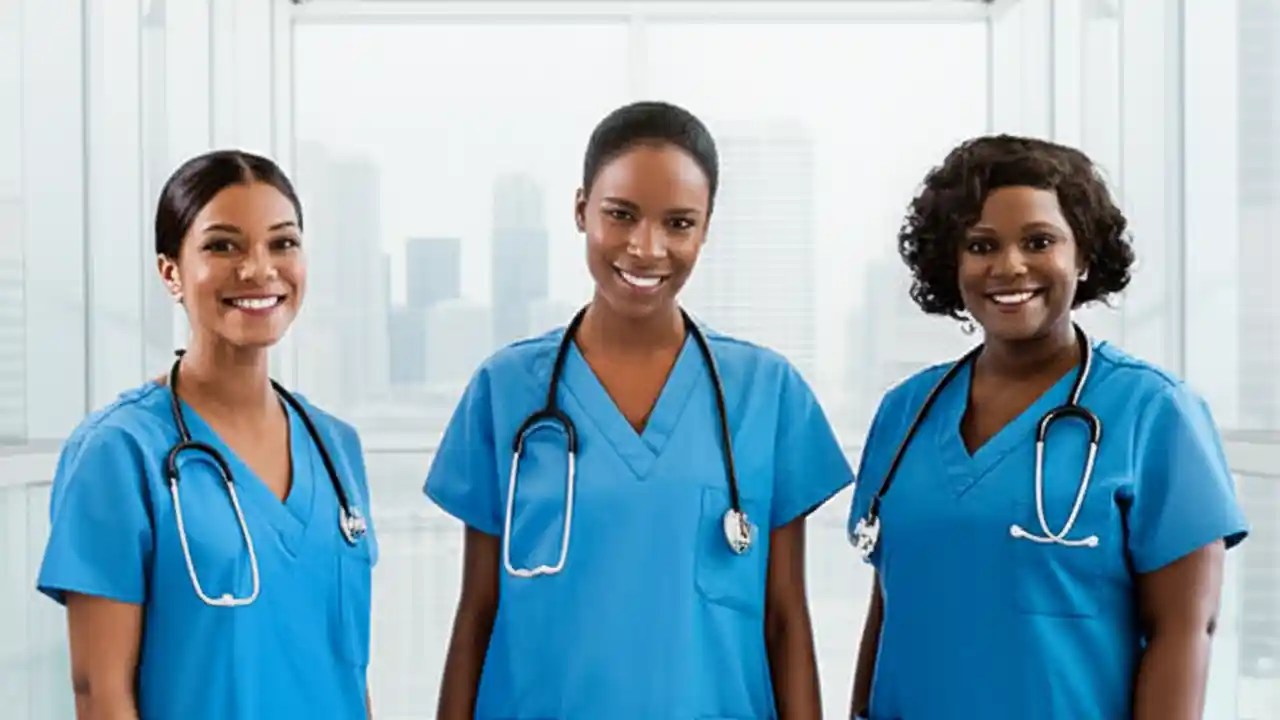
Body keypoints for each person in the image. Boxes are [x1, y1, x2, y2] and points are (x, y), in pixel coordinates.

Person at [425, 100, 853, 719]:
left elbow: (786, 617)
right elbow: (478, 611)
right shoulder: (506, 390)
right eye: (620, 215)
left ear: (706, 229)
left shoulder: (767, 392)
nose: (646, 247)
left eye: (678, 223)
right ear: (581, 211)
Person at [847, 135, 1250, 720]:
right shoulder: (906, 412)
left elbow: (1185, 629)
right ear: (952, 263)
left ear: (1083, 255)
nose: (1009, 266)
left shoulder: (1154, 411)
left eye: (1039, 242)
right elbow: (889, 604)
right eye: (981, 245)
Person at [36, 150, 378, 718]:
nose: (258, 268)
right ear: (170, 271)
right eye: (223, 245)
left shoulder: (335, 447)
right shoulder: (120, 452)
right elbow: (100, 693)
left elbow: (347, 669)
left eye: (282, 243)